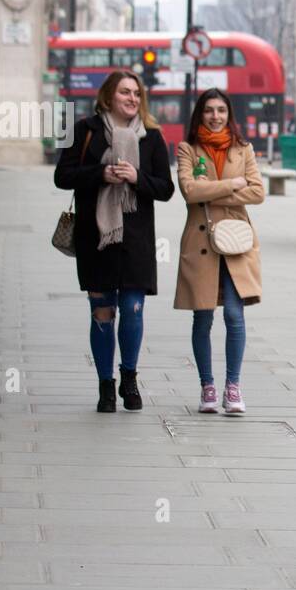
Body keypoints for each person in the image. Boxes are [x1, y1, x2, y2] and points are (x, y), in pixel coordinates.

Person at [53, 71, 175, 413]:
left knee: (133, 309)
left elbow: (165, 189)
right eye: (125, 92)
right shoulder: (85, 131)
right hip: (97, 237)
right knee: (102, 312)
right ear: (108, 96)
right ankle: (106, 386)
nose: (132, 99)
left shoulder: (152, 137)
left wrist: (137, 178)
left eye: (137, 93)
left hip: (136, 238)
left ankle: (130, 378)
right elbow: (62, 176)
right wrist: (100, 174)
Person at [175, 88, 265, 415]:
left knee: (233, 314)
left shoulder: (244, 149)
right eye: (209, 110)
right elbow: (188, 191)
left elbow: (257, 193)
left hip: (236, 242)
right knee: (203, 315)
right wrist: (232, 185)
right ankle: (207, 386)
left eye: (222, 111)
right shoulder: (187, 149)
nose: (216, 116)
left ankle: (233, 386)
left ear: (229, 115)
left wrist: (210, 193)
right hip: (200, 243)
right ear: (200, 114)